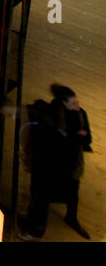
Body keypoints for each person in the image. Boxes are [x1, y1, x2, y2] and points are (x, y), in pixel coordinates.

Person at [22, 84, 92, 239]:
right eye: (73, 103)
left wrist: (67, 135)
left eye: (77, 101)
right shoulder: (52, 114)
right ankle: (35, 230)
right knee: (42, 195)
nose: (77, 106)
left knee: (72, 192)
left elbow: (88, 138)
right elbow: (51, 137)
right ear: (64, 103)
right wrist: (75, 135)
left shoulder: (81, 114)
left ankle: (71, 218)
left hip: (72, 162)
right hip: (53, 163)